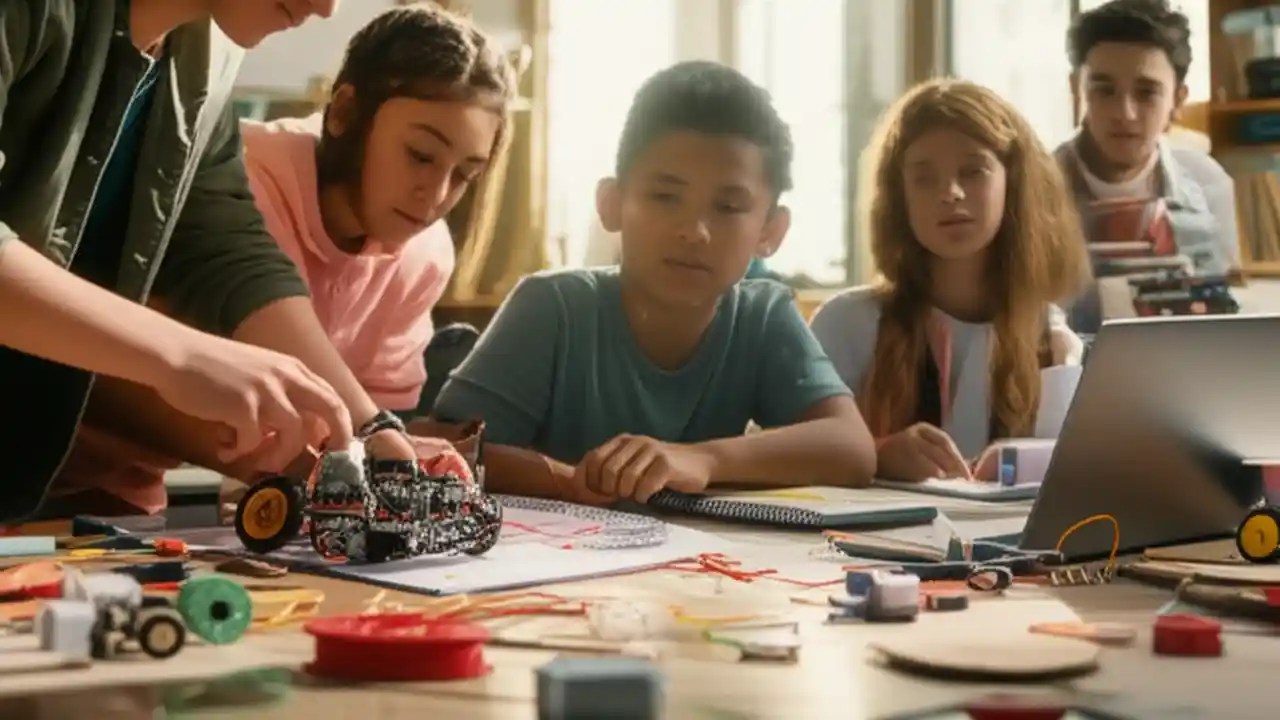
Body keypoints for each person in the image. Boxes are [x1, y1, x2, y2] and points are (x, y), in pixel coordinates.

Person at [0, 0, 420, 521]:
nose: (327, 7)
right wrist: (181, 357)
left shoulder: (206, 57)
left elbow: (225, 247)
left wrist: (369, 427)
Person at [430, 61, 876, 504]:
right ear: (611, 204)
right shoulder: (554, 308)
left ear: (770, 232)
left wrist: (701, 460)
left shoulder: (761, 317)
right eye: (665, 197)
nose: (694, 231)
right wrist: (571, 482)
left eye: (728, 207)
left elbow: (852, 448)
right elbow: (438, 446)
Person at [809, 79, 1090, 484]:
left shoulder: (1052, 338)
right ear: (898, 195)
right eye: (924, 177)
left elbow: (1072, 476)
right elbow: (792, 456)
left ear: (1013, 184)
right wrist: (879, 454)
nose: (951, 193)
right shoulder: (849, 323)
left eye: (973, 171)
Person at [241, 3, 514, 417]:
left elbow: (382, 414)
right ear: (345, 113)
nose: (437, 195)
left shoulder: (427, 253)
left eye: (463, 175)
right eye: (421, 156)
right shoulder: (241, 179)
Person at [1058, 0, 1238, 331]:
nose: (1124, 113)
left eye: (1146, 93)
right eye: (1104, 90)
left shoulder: (1209, 185)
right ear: (1076, 89)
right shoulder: (1033, 185)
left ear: (1178, 100)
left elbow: (1221, 318)